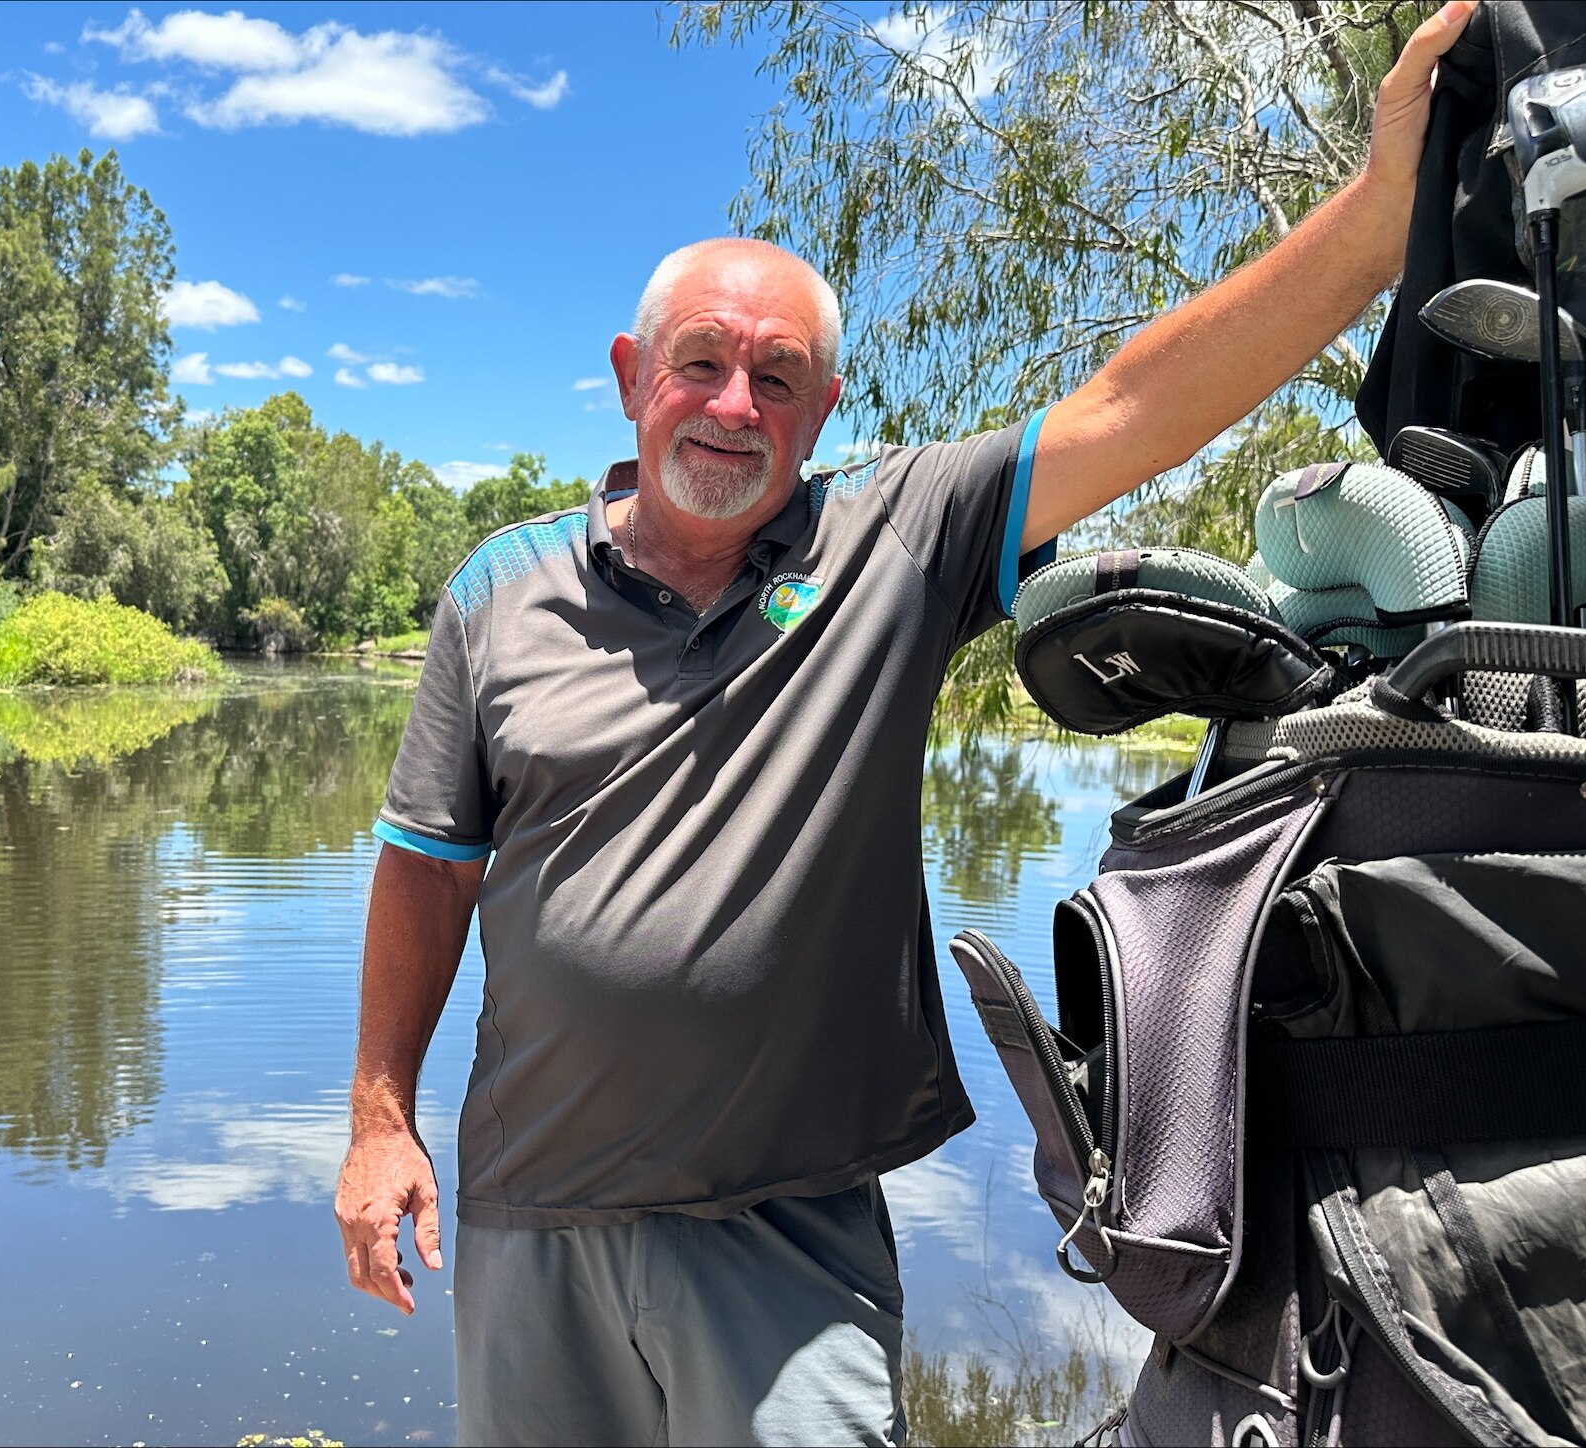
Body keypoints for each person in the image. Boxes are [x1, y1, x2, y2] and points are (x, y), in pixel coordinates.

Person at [334, 4, 1480, 1443]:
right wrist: (381, 1119)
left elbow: (1140, 405)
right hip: (531, 1210)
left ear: (819, 410)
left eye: (776, 378)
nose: (731, 404)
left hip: (787, 1224)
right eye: (699, 363)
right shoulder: (498, 588)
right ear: (631, 379)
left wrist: (1379, 222)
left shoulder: (899, 535)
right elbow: (428, 866)